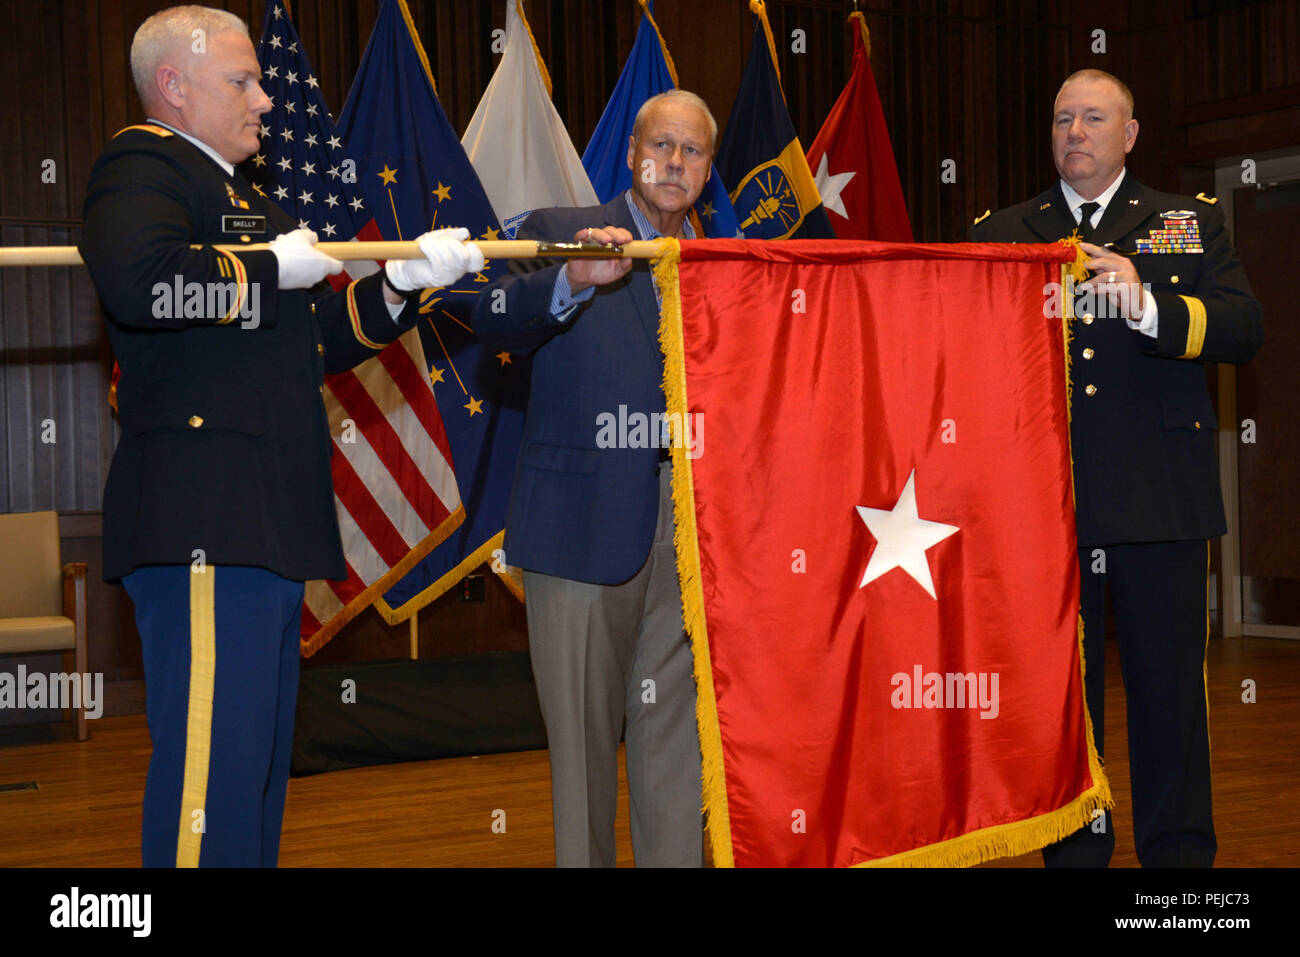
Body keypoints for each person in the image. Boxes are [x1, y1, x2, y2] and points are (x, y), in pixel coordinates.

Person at [78, 5, 483, 867]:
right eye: (243, 81)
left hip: (260, 520)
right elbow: (144, 288)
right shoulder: (141, 163)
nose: (266, 100)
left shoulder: (245, 199)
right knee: (206, 784)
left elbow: (314, 341)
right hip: (202, 520)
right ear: (174, 88)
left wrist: (404, 286)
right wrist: (267, 271)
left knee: (251, 782)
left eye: (262, 79)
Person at [970, 69, 1262, 866]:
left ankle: (1177, 870)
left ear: (1129, 135)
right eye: (1063, 117)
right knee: (1064, 711)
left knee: (1170, 701)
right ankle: (1074, 855)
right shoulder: (1004, 231)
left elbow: (1243, 326)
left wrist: (1146, 306)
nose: (1075, 132)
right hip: (1045, 513)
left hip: (1161, 506)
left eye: (1094, 118)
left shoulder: (1179, 223)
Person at [472, 90, 716, 867]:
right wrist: (574, 277)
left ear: (710, 171)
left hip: (684, 533)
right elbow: (492, 316)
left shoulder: (720, 265)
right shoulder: (556, 228)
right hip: (578, 527)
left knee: (675, 740)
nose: (675, 162)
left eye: (693, 151)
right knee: (580, 750)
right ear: (631, 155)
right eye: (662, 145)